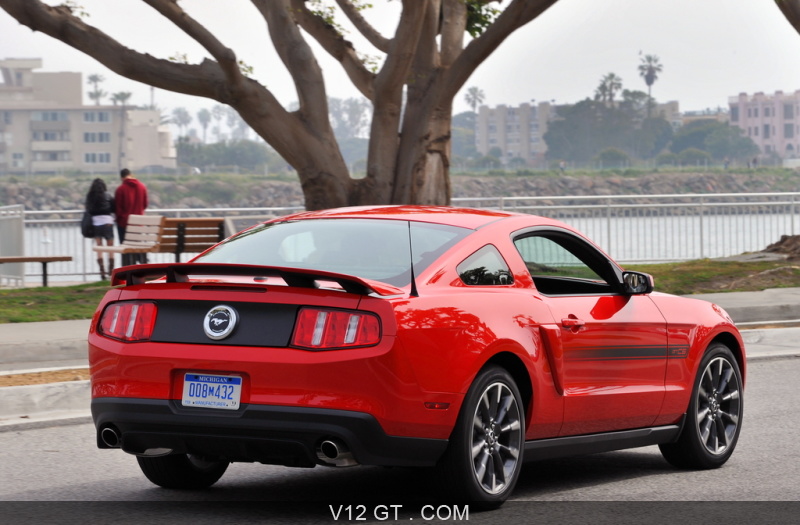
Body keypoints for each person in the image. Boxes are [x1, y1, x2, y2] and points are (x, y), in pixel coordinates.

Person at [114, 168, 149, 265]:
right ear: (131, 175)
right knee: (137, 245)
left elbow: (118, 209)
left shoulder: (120, 189)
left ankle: (126, 267)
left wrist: (120, 219)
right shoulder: (142, 186)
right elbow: (145, 204)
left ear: (122, 178)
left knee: (125, 248)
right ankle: (141, 264)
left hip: (124, 224)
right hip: (138, 223)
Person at [85, 178, 115, 279]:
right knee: (110, 247)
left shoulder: (90, 196)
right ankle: (111, 271)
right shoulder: (108, 195)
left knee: (99, 247)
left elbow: (88, 209)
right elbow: (113, 208)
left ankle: (102, 271)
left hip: (96, 223)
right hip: (108, 223)